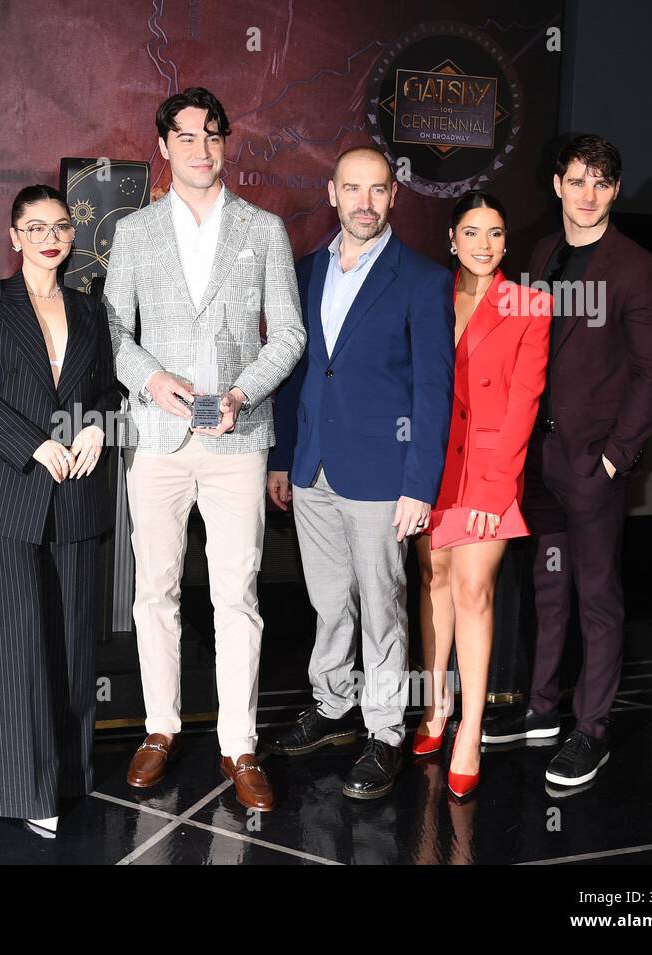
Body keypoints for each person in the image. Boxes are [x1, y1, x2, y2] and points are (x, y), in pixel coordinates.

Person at [104, 87, 305, 812]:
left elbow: (287, 333)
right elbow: (113, 335)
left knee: (237, 596)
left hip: (238, 440)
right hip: (157, 441)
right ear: (162, 146)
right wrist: (152, 378)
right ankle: (159, 729)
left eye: (211, 134)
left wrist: (243, 394)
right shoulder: (133, 232)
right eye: (185, 136)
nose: (199, 147)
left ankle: (238, 741)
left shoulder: (265, 229)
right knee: (153, 591)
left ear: (226, 143)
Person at [481, 136, 652, 788]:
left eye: (602, 182)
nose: (589, 193)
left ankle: (591, 731)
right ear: (558, 185)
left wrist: (617, 460)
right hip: (539, 460)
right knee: (546, 588)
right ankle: (540, 710)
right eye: (578, 180)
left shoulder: (639, 269)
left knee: (597, 598)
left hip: (594, 467)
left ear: (614, 191)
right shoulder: (543, 254)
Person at [267, 144, 455, 801]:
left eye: (378, 190)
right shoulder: (305, 269)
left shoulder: (424, 280)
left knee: (382, 608)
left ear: (394, 197)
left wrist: (419, 484)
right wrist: (283, 457)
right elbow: (293, 374)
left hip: (383, 474)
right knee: (327, 600)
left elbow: (435, 390)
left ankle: (384, 732)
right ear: (333, 193)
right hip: (313, 466)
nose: (365, 202)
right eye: (353, 189)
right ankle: (332, 703)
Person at [0, 185, 119, 837]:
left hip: (76, 489)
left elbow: (105, 389)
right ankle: (25, 787)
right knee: (20, 643)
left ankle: (69, 772)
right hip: (13, 489)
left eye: (62, 225)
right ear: (14, 237)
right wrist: (35, 442)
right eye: (36, 226)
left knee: (74, 641)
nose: (51, 236)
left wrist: (98, 425)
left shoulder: (90, 309)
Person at [412, 190, 551, 800]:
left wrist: (497, 489)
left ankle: (470, 728)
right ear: (451, 239)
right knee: (433, 581)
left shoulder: (530, 305)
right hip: (432, 468)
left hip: (489, 471)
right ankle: (435, 709)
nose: (484, 245)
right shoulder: (427, 297)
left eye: (495, 233)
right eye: (472, 232)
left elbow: (524, 405)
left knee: (475, 589)